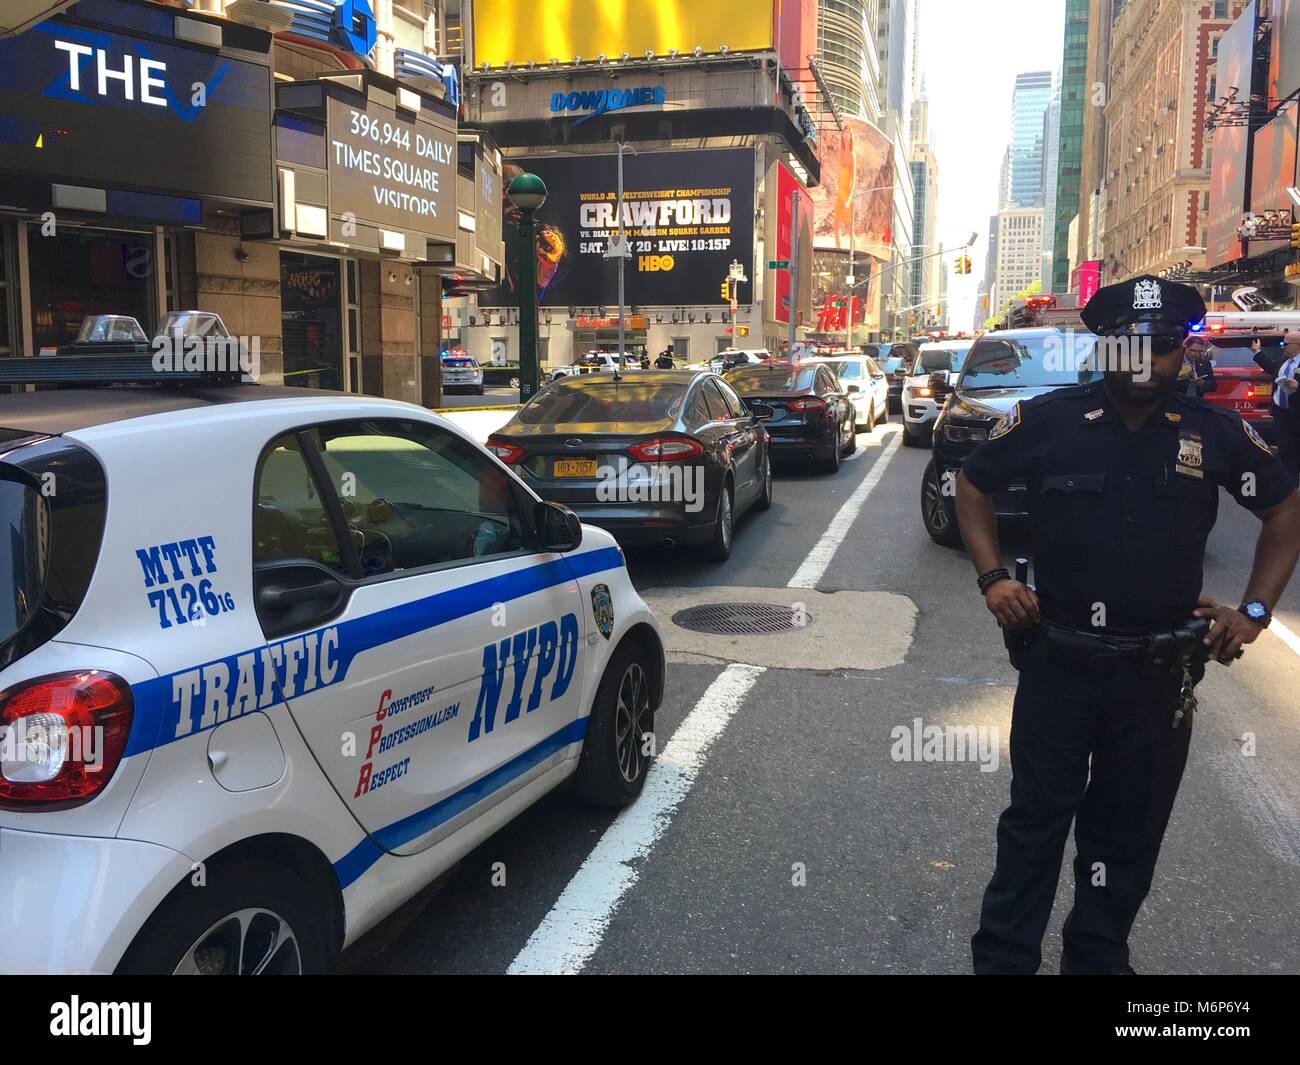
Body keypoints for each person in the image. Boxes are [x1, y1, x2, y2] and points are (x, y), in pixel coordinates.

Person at [955, 275, 1300, 975]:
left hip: (1159, 676)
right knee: (1034, 824)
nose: (1146, 360)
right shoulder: (1048, 421)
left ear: (1182, 351)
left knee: (1127, 834)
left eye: (1163, 344)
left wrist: (1254, 611)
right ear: (1104, 350)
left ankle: (1097, 957)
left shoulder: (1213, 431)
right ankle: (1005, 960)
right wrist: (993, 577)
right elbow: (972, 482)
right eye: (1129, 345)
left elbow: (1285, 511)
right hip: (1058, 665)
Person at [1270, 332, 1300, 486]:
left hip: (1297, 413)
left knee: (1295, 449)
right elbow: (1271, 368)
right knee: (1284, 449)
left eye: (1286, 344)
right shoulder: (1283, 360)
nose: (1283, 347)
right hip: (1281, 412)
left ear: (1297, 346)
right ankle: (1290, 485)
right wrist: (1257, 352)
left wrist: (1298, 386)